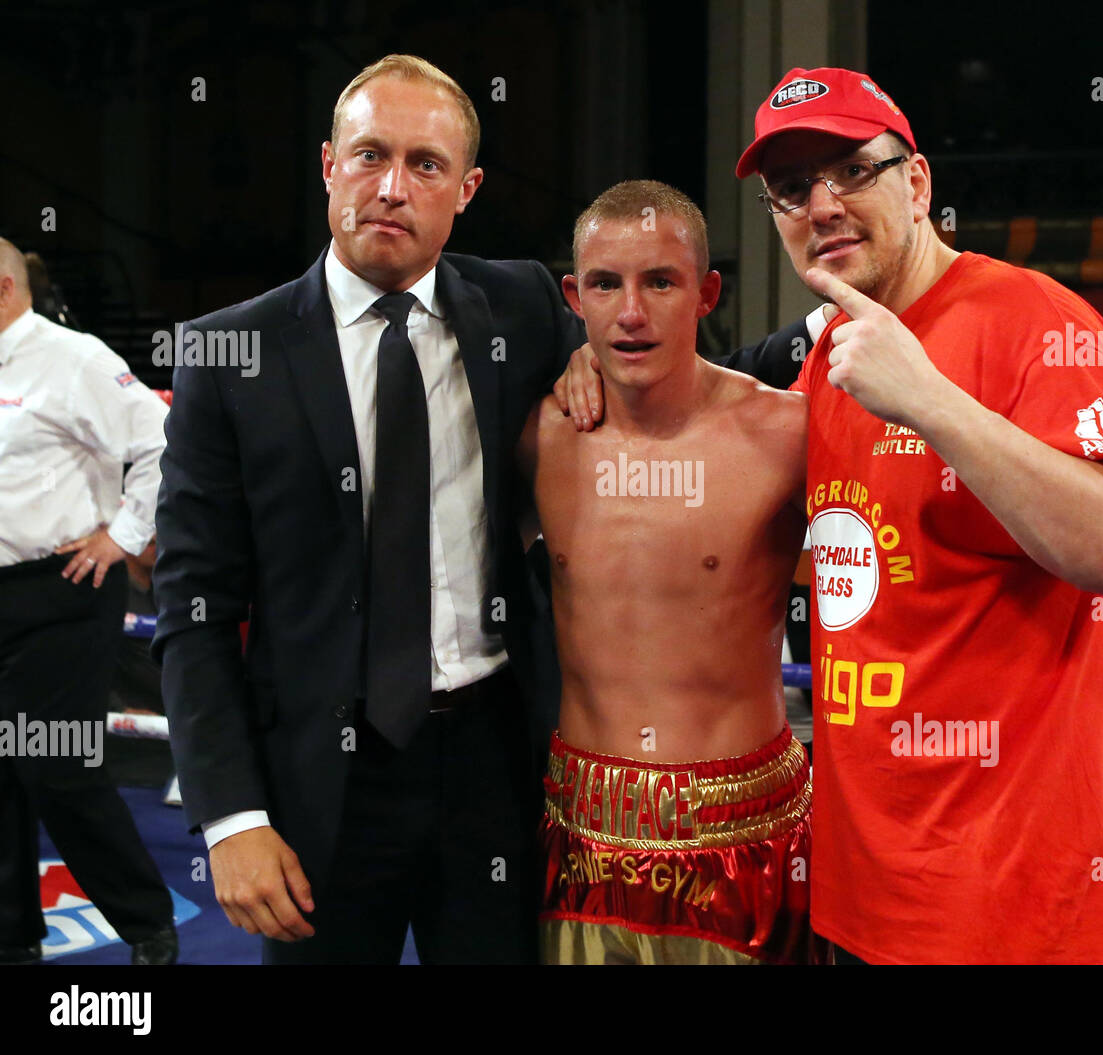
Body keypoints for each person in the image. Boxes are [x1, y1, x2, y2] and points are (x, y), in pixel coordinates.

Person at [559, 66, 1103, 963]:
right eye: (791, 189)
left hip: (1020, 915)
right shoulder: (827, 366)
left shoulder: (1032, 319)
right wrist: (590, 365)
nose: (823, 205)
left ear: (918, 182)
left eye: (853, 170)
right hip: (860, 902)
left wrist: (932, 401)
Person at [151, 55, 587, 964]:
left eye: (425, 165)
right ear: (327, 164)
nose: (391, 187)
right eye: (369, 155)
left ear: (465, 190)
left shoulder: (527, 307)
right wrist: (229, 815)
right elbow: (195, 608)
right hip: (320, 780)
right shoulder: (229, 351)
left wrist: (593, 365)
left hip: (496, 765)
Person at [518, 180, 822, 964]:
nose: (630, 312)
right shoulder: (539, 436)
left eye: (659, 281)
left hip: (746, 837)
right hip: (580, 840)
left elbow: (909, 572)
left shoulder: (787, 434)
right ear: (572, 297)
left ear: (706, 291)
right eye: (604, 284)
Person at [0, 236, 176, 965]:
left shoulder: (75, 358)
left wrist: (123, 534)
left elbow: (167, 440)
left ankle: (146, 921)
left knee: (56, 765)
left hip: (64, 588)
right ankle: (12, 938)